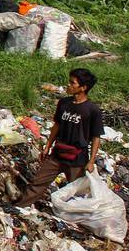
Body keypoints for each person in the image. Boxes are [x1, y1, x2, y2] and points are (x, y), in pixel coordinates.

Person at [18, 68, 103, 206]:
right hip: (57, 154)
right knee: (37, 183)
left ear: (83, 87)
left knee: (77, 192)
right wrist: (47, 147)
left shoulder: (92, 110)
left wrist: (91, 161)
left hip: (77, 158)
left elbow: (96, 137)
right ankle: (20, 207)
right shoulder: (64, 103)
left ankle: (77, 219)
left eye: (72, 83)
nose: (68, 85)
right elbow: (56, 126)